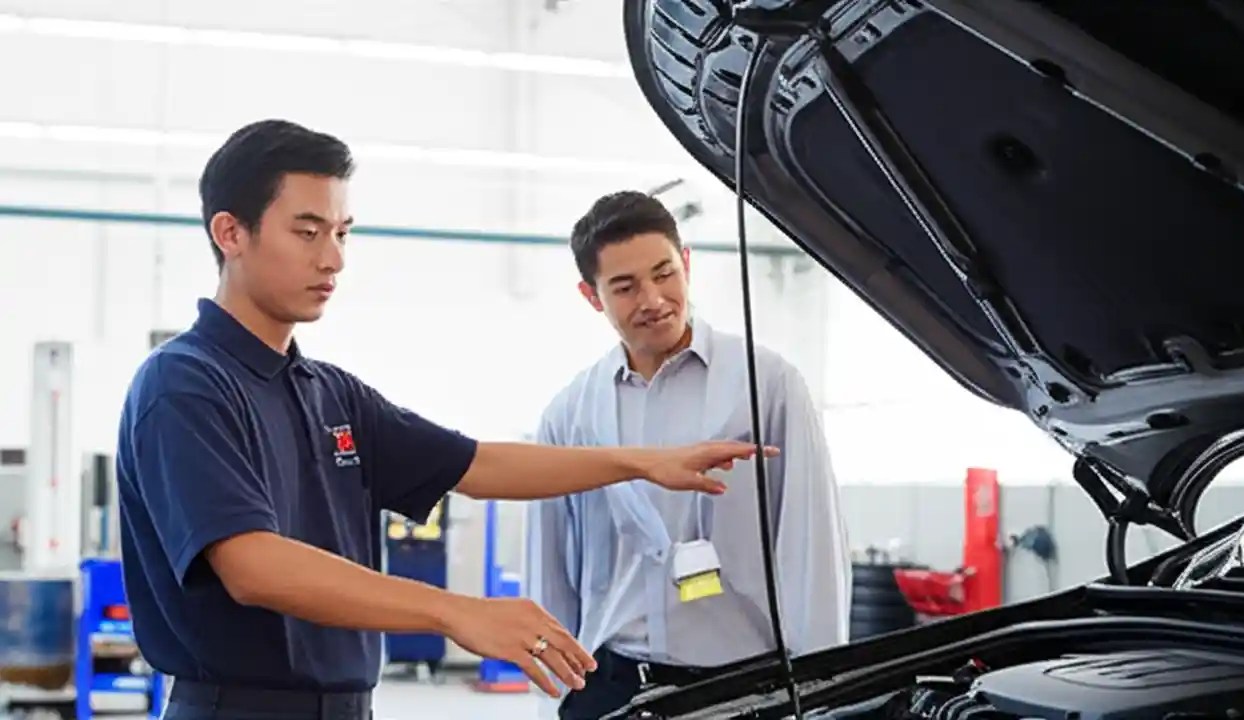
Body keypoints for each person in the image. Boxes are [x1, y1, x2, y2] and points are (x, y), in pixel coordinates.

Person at [113, 120, 775, 720]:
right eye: (307, 232)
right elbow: (253, 565)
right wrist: (455, 612)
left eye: (342, 234)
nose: (333, 259)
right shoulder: (184, 385)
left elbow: (478, 464)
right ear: (231, 233)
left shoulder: (328, 393)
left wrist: (640, 462)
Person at [525, 191, 852, 719]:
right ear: (592, 296)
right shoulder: (570, 413)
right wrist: (553, 697)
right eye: (625, 287)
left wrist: (819, 691)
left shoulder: (765, 385)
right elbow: (550, 567)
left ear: (687, 263)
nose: (653, 299)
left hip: (747, 687)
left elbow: (810, 544)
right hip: (612, 685)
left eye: (665, 273)